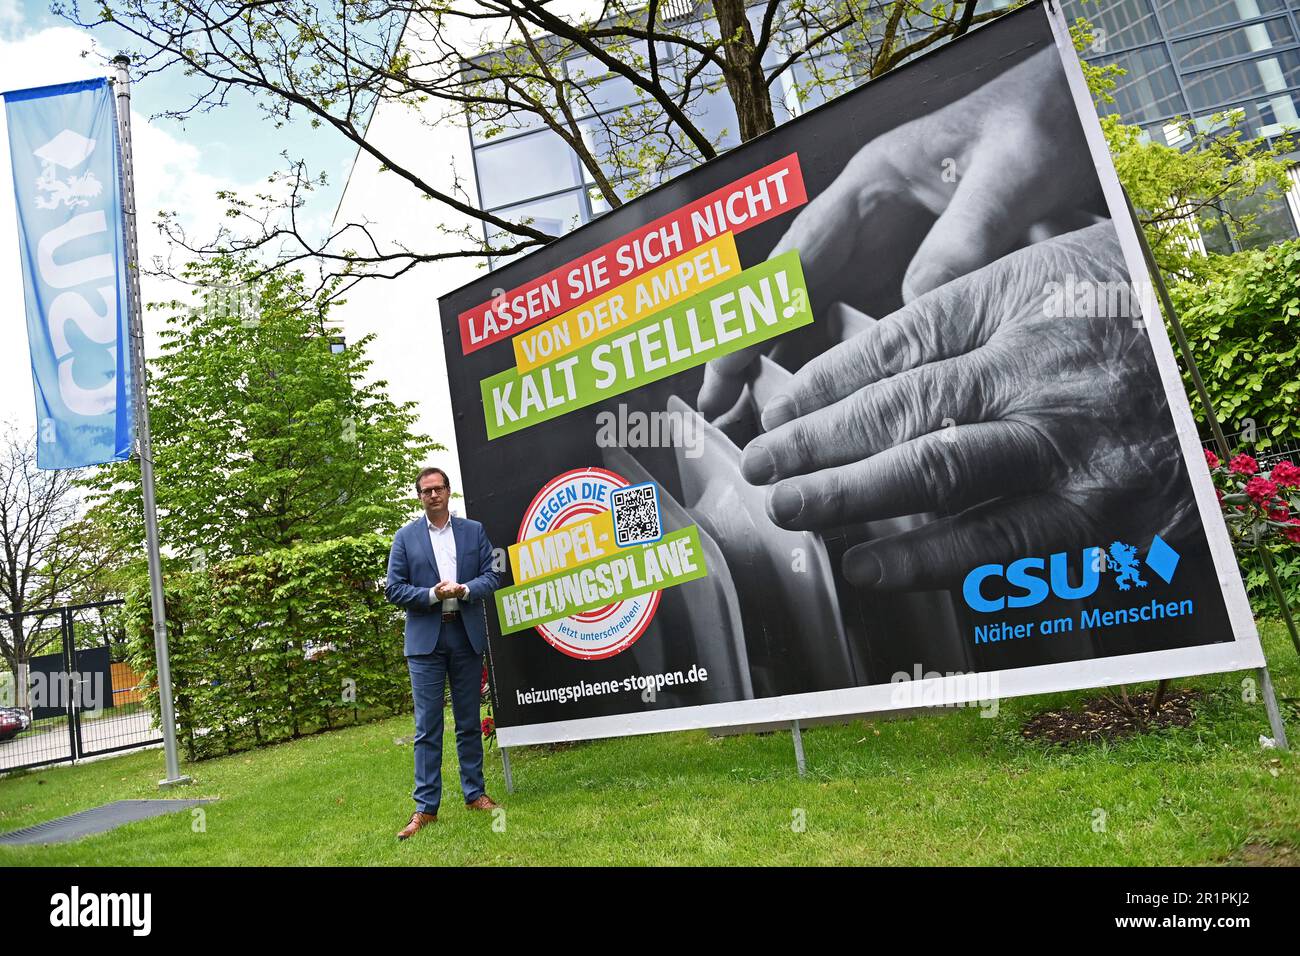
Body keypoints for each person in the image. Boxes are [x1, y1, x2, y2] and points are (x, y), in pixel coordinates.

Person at [386, 466, 502, 840]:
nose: (433, 495)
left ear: (449, 492)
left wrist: (465, 590)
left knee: (468, 721)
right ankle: (425, 809)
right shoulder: (405, 538)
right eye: (426, 491)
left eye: (439, 489)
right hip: (426, 644)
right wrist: (431, 595)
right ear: (419, 496)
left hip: (464, 637)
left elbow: (492, 576)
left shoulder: (473, 531)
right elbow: (394, 589)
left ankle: (474, 794)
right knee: (427, 727)